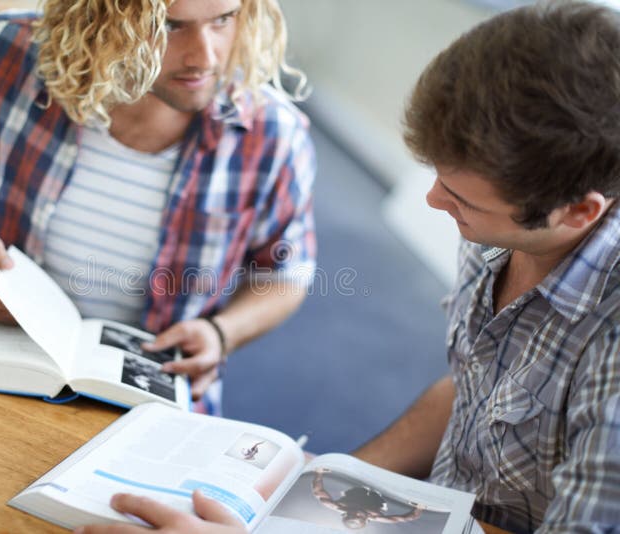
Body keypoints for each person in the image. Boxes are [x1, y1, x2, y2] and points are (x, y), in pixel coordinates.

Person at [73, 2, 620, 533]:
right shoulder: (502, 226)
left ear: (578, 212)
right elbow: (478, 389)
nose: (432, 200)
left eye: (461, 198)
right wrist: (321, 480)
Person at [0, 0, 316, 450]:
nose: (205, 56)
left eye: (223, 19)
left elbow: (286, 274)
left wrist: (221, 332)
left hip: (147, 423)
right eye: (170, 25)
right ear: (104, 14)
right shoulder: (10, 55)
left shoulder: (273, 134)